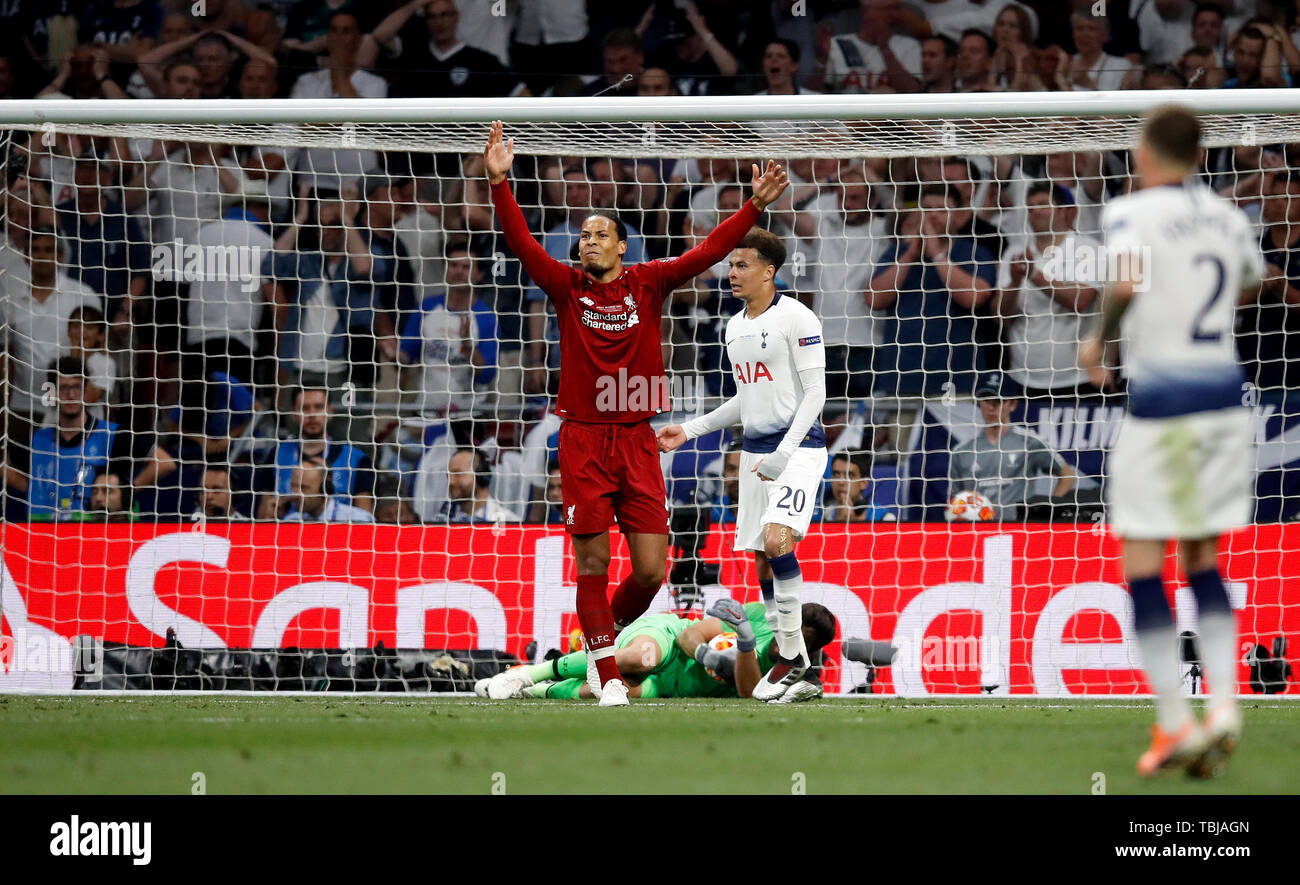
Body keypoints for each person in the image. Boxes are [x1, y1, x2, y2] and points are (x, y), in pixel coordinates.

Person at [485, 120, 788, 706]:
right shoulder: (566, 286)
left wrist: (752, 206)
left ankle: (594, 645)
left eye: (600, 234)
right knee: (593, 562)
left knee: (652, 571)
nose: (588, 241)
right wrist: (501, 183)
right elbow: (521, 243)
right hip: (583, 438)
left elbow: (708, 251)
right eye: (583, 235)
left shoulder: (649, 283)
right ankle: (606, 675)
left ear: (623, 246)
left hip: (637, 440)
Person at [1078, 105, 1264, 779]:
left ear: (1147, 152)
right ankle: (1222, 707)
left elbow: (1126, 281)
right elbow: (1251, 277)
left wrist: (1099, 337)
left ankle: (1175, 722)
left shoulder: (1133, 211)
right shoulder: (1227, 215)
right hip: (1223, 403)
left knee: (1143, 561)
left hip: (1160, 408)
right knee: (1205, 556)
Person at [657, 228, 827, 702]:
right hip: (755, 454)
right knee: (760, 555)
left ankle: (790, 657)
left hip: (798, 450)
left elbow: (817, 392)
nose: (731, 273)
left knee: (777, 540)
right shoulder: (734, 327)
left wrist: (785, 453)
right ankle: (799, 667)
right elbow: (743, 400)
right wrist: (688, 429)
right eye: (731, 266)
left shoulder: (798, 318)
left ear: (769, 272)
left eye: (742, 265)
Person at [480, 598, 837, 702]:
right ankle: (524, 674)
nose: (790, 641)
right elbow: (690, 635)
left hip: (678, 687)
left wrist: (744, 643)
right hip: (669, 642)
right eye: (791, 631)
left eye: (804, 641)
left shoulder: (791, 673)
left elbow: (748, 692)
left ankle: (537, 691)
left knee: (602, 690)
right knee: (638, 658)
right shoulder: (759, 617)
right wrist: (705, 655)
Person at [947, 371, 1076, 521]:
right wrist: (959, 515)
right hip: (977, 531)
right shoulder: (962, 451)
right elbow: (955, 500)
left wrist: (1049, 510)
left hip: (1019, 530)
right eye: (986, 400)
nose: (991, 407)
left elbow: (1067, 475)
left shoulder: (1029, 442)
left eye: (999, 401)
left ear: (1012, 404)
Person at [440, 447, 521, 523]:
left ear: (481, 475)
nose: (451, 482)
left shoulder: (508, 522)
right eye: (448, 476)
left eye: (458, 474)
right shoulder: (442, 518)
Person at [823, 450, 895, 522]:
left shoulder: (886, 518)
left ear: (864, 483)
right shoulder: (826, 514)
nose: (840, 482)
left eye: (849, 475)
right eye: (836, 474)